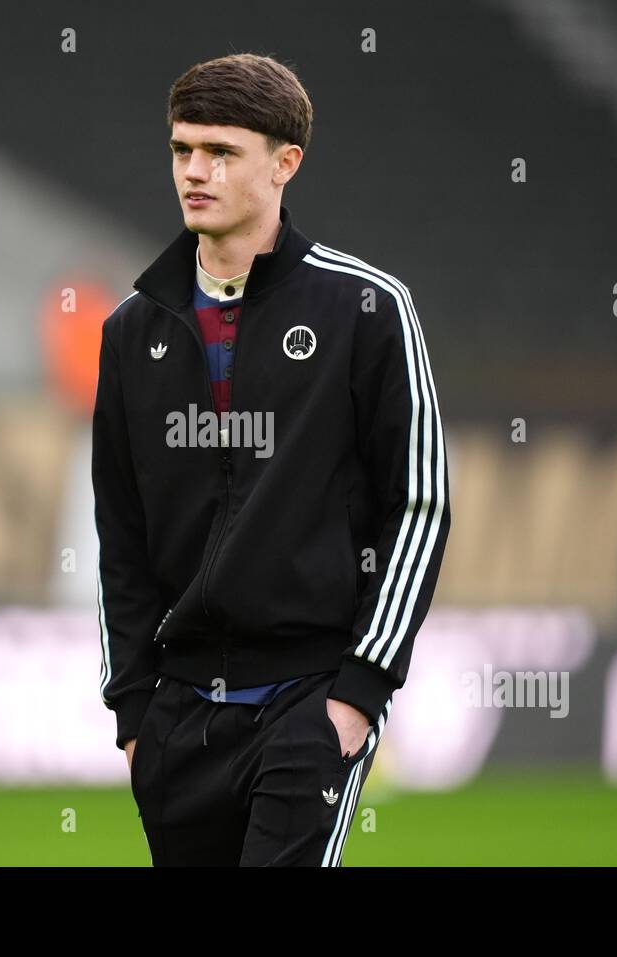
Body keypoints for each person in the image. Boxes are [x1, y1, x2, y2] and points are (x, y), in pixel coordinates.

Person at [92, 52, 451, 865]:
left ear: (286, 163)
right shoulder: (130, 331)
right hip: (178, 720)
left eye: (221, 152)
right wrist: (135, 714)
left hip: (308, 702)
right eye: (183, 149)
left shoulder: (368, 307)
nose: (194, 171)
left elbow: (420, 505)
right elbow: (121, 533)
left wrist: (360, 690)